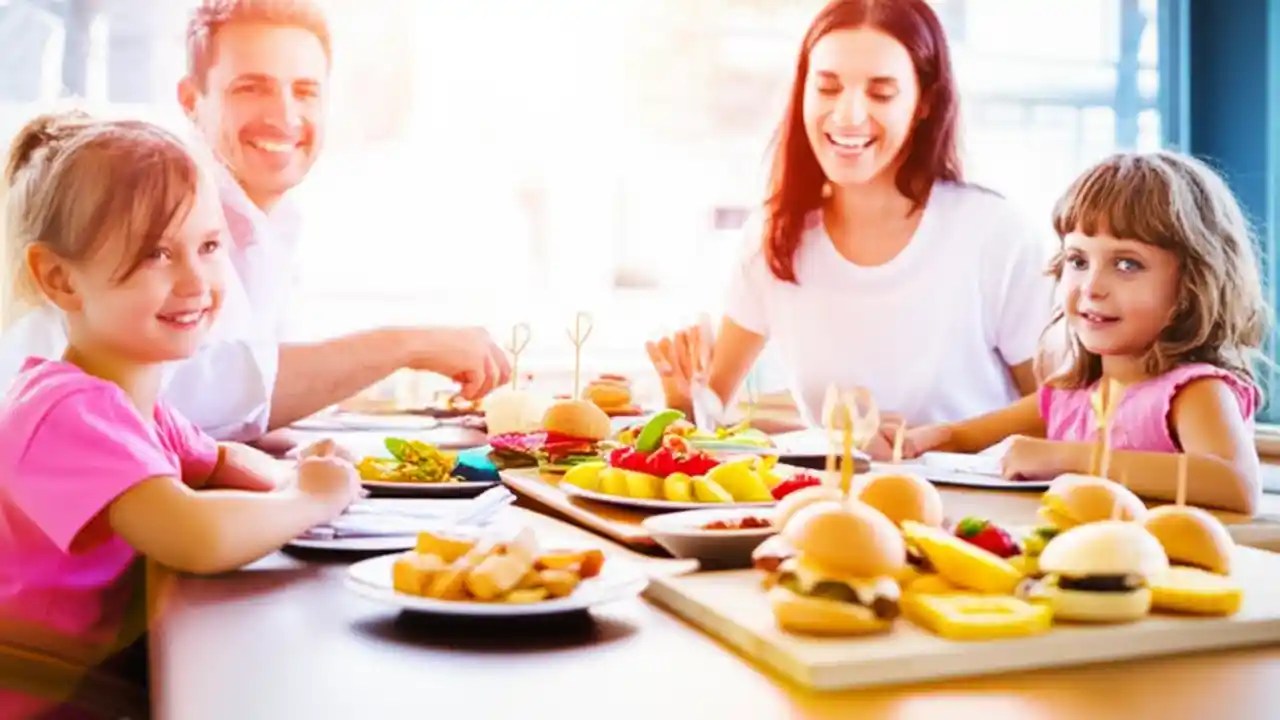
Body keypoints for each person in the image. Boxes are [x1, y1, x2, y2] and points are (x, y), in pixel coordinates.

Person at [0, 0, 511, 442]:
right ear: (190, 101)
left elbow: (233, 416)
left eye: (305, 91)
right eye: (252, 88)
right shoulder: (146, 207)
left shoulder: (277, 225)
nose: (284, 115)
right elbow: (193, 392)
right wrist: (408, 345)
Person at [0, 112, 362, 716]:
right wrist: (311, 500)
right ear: (59, 279)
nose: (196, 280)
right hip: (48, 701)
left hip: (96, 684)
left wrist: (301, 472)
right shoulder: (63, 413)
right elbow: (196, 535)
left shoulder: (134, 406)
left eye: (209, 246)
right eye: (156, 254)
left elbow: (220, 463)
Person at [645, 0, 1052, 456]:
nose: (848, 115)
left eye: (881, 93)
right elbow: (707, 413)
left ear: (925, 102)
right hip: (828, 508)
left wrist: (939, 440)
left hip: (976, 511)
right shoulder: (774, 236)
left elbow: (1060, 412)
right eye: (827, 87)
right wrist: (681, 394)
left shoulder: (995, 233)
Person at [902, 151, 1269, 515]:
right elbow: (964, 438)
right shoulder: (1071, 396)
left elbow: (1235, 482)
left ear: (1192, 285)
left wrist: (1068, 457)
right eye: (1078, 261)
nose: (1092, 287)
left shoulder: (1194, 392)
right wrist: (927, 438)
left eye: (1127, 264)